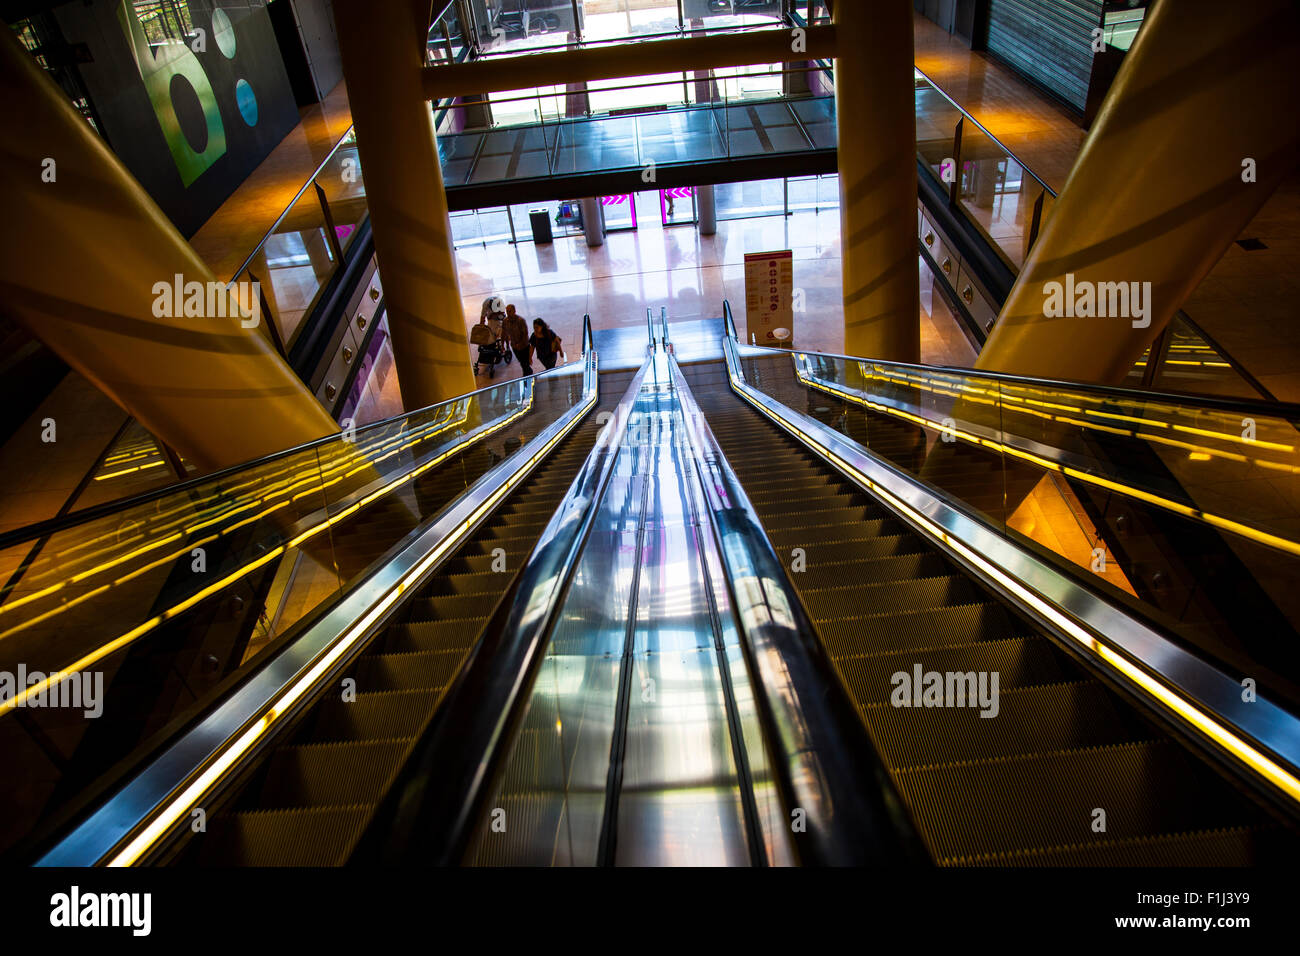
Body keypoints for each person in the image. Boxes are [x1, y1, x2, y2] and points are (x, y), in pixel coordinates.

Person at [502, 304, 532, 375]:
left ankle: (526, 376)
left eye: (510, 311)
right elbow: (503, 333)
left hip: (524, 347)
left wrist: (520, 344)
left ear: (514, 311)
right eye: (507, 311)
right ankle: (528, 373)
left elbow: (525, 334)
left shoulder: (521, 321)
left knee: (525, 364)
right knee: (522, 363)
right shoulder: (505, 321)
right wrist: (502, 344)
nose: (508, 313)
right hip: (515, 347)